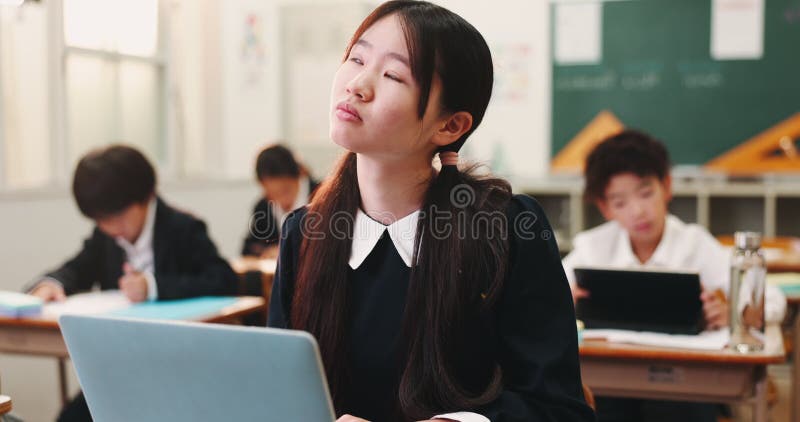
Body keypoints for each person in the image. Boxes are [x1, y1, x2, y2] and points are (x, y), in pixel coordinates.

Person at [267, 2, 594, 422]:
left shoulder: (508, 230)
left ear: (450, 126)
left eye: (393, 75)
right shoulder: (304, 232)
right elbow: (281, 395)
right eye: (356, 58)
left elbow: (557, 409)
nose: (358, 85)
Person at [562, 129, 787, 422]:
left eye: (646, 193)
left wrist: (735, 313)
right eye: (620, 203)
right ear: (605, 208)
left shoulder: (694, 243)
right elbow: (542, 298)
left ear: (666, 186)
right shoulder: (593, 247)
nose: (638, 211)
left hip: (682, 388)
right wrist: (564, 302)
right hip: (612, 385)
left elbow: (773, 300)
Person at [26, 145, 238, 422]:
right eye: (102, 221)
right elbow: (77, 268)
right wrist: (51, 284)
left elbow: (223, 279)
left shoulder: (183, 228)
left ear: (146, 196)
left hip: (177, 364)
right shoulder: (106, 238)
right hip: (120, 364)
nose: (112, 228)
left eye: (118, 217)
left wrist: (153, 286)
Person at [241, 144, 320, 258]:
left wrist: (288, 251)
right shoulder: (263, 206)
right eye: (273, 194)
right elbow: (249, 249)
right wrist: (268, 252)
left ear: (299, 176)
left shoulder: (323, 195)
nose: (282, 200)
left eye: (286, 190)